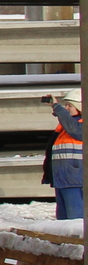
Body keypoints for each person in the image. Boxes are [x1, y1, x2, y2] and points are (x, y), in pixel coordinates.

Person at [45, 89, 82, 221]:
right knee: (64, 221)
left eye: (69, 105)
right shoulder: (64, 127)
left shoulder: (79, 125)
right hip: (63, 179)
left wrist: (58, 108)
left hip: (76, 180)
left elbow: (75, 130)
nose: (66, 108)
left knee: (76, 221)